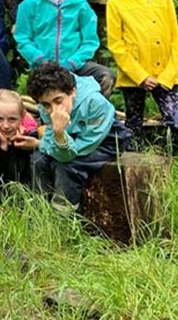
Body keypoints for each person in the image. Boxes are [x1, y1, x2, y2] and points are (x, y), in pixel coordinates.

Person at [107, 0, 178, 152]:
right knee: (133, 124)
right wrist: (140, 76)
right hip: (134, 76)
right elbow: (116, 45)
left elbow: (175, 38)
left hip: (165, 74)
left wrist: (168, 74)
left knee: (174, 122)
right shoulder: (115, 3)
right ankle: (135, 161)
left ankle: (171, 159)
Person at [26, 63, 129, 212]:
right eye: (47, 105)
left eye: (58, 101)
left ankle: (63, 213)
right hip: (68, 138)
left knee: (67, 166)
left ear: (72, 91)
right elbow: (49, 138)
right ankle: (41, 209)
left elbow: (70, 154)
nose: (53, 110)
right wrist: (47, 143)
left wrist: (59, 135)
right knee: (38, 160)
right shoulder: (45, 109)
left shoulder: (95, 103)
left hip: (102, 140)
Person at [13, 0, 114, 96]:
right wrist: (40, 59)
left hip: (75, 65)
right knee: (52, 92)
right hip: (43, 67)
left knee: (106, 76)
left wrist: (73, 62)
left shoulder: (81, 5)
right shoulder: (29, 5)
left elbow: (90, 41)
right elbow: (23, 39)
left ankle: (91, 113)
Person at [0, 89, 39, 200]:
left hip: (20, 196)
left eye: (12, 119)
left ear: (22, 117)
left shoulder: (28, 139)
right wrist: (3, 147)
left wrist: (14, 149)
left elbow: (17, 178)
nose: (6, 126)